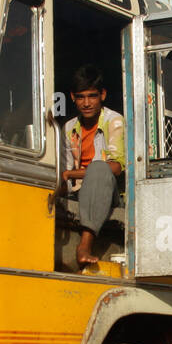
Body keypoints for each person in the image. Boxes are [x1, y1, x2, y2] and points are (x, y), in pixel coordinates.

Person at [61, 65, 124, 268]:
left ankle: (85, 245)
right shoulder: (70, 127)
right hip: (78, 193)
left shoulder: (114, 121)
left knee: (99, 168)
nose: (86, 103)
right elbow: (64, 169)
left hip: (109, 193)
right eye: (81, 97)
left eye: (92, 96)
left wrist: (71, 173)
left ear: (102, 95)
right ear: (72, 97)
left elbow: (115, 167)